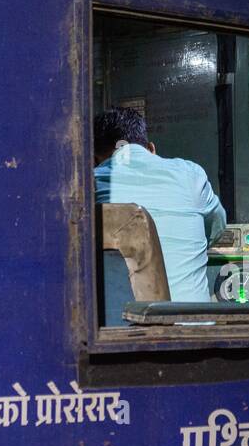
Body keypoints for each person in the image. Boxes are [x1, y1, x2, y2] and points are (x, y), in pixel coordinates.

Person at [93, 107, 226, 307]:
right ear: (151, 149)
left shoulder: (88, 186)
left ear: (94, 159)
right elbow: (217, 226)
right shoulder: (191, 175)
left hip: (119, 332)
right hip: (196, 330)